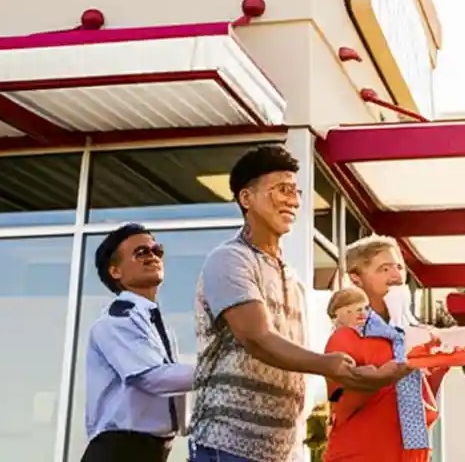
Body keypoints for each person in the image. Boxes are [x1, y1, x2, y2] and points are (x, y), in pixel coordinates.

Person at [188, 145, 406, 462]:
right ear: (246, 199)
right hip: (228, 445)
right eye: (280, 189)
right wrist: (329, 364)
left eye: (295, 190)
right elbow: (257, 338)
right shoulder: (230, 260)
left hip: (282, 449)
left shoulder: (292, 277)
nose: (292, 199)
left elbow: (298, 361)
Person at [323, 236, 449, 461]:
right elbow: (342, 403)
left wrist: (436, 362)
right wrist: (382, 375)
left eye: (399, 267)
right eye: (384, 269)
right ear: (356, 279)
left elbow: (424, 401)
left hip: (412, 455)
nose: (397, 276)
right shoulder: (346, 336)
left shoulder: (409, 335)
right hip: (362, 454)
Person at [81, 223, 193, 462]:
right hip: (121, 451)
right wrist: (222, 371)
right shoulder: (116, 321)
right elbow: (151, 378)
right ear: (115, 272)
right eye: (141, 252)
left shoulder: (156, 324)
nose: (152, 257)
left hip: (152, 451)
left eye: (156, 251)